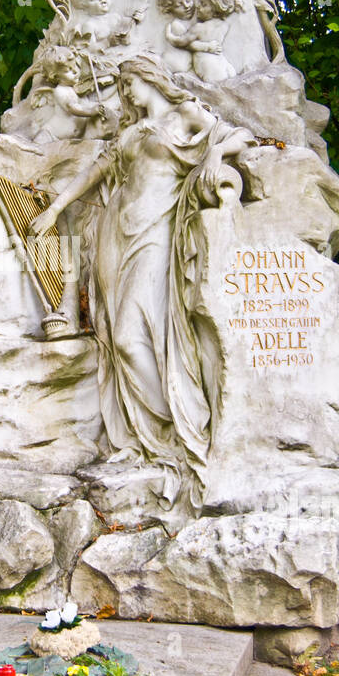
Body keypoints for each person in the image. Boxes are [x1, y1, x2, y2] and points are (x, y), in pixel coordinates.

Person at [29, 54, 253, 505]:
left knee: (135, 337)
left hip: (155, 235)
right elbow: (97, 173)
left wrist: (211, 152)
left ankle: (168, 436)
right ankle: (136, 441)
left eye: (129, 82)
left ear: (150, 77)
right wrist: (53, 208)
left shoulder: (184, 114)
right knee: (116, 335)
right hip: (115, 234)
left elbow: (238, 135)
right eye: (122, 84)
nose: (126, 92)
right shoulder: (127, 132)